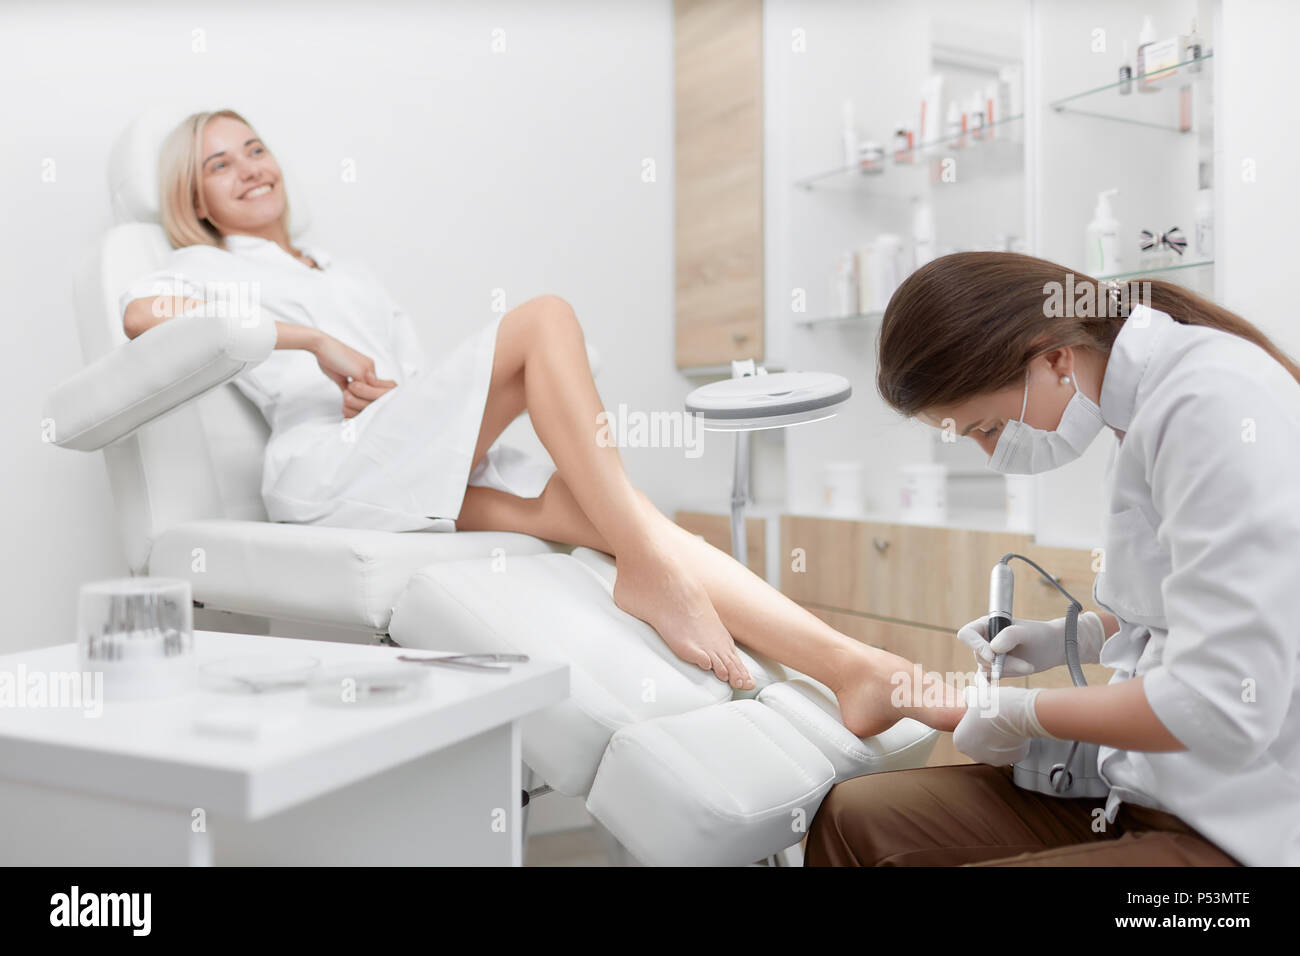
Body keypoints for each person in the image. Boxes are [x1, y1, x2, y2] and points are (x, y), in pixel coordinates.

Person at [121, 108, 968, 740]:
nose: (248, 169)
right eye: (218, 165)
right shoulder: (203, 265)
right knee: (543, 321)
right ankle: (649, 570)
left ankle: (853, 668)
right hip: (324, 472)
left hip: (394, 457)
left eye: (255, 149)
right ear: (193, 197)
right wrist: (312, 343)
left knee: (608, 508)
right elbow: (142, 318)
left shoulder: (350, 269)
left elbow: (409, 384)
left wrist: (388, 395)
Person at [805, 251, 1300, 867]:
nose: (992, 453)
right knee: (856, 818)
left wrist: (1023, 713)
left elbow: (1223, 703)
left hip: (1235, 835)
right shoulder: (1137, 411)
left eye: (985, 428)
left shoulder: (1208, 407)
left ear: (1053, 358)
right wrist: (1074, 635)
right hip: (1133, 793)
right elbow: (1194, 604)